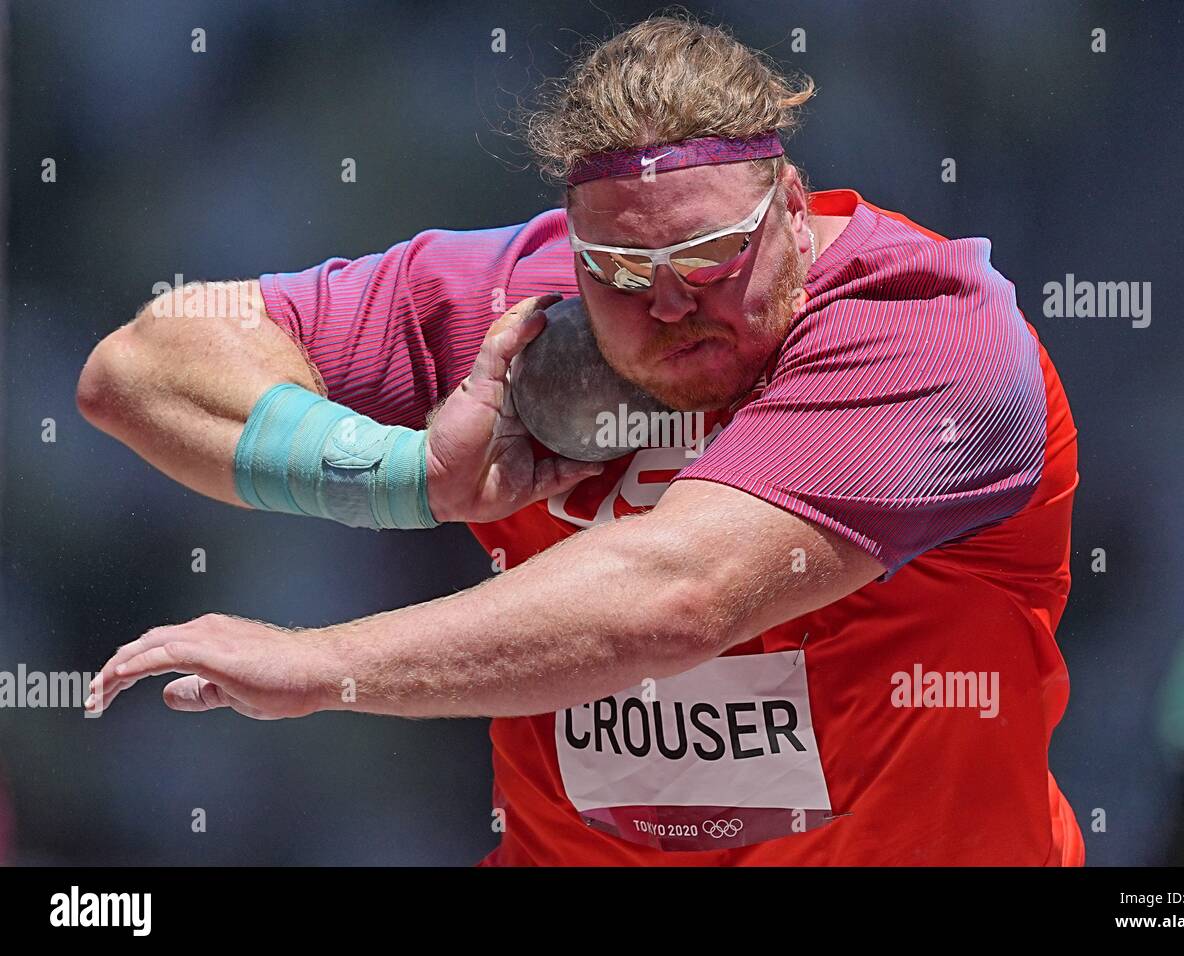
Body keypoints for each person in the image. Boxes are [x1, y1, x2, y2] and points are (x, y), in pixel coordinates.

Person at [76, 13, 1083, 865]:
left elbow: (677, 598)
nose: (671, 301)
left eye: (711, 255)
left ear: (789, 204)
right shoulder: (516, 307)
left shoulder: (931, 326)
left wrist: (320, 666)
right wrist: (402, 474)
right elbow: (137, 368)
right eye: (622, 268)